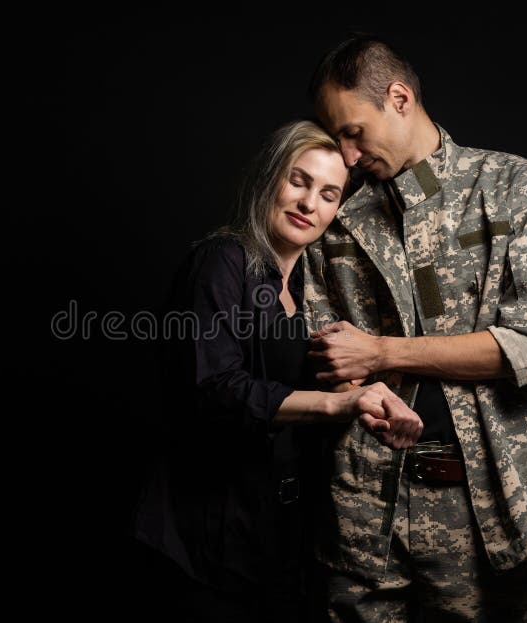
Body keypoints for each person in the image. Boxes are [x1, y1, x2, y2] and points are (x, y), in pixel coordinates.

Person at [302, 34, 527, 622]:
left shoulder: (515, 185)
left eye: (353, 132)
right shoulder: (336, 213)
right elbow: (328, 356)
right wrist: (353, 382)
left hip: (481, 511)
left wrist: (381, 352)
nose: (347, 155)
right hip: (362, 509)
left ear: (399, 98)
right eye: (336, 138)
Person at [130, 119, 423, 623]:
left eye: (329, 194)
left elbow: (303, 380)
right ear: (270, 178)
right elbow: (214, 388)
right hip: (205, 538)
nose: (309, 204)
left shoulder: (307, 287)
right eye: (298, 181)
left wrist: (370, 397)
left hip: (278, 537)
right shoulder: (222, 260)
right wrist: (338, 402)